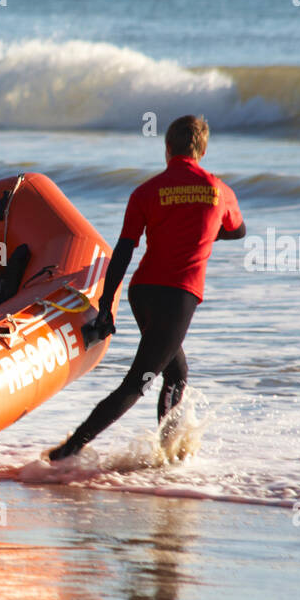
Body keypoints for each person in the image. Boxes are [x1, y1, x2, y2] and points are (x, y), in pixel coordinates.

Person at [47, 115, 244, 461]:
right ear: (202, 149)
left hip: (143, 293)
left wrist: (107, 304)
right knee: (139, 381)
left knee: (175, 371)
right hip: (179, 297)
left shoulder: (146, 191)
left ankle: (167, 455)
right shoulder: (219, 191)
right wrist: (205, 228)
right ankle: (70, 450)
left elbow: (124, 250)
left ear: (167, 148)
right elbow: (238, 231)